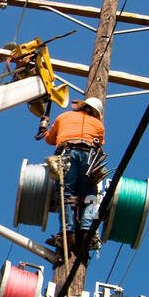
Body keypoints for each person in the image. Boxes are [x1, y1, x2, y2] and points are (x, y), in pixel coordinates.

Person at [41, 95, 105, 251]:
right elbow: (100, 142)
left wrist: (44, 128)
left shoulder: (63, 117)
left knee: (66, 195)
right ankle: (85, 233)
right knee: (90, 196)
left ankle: (68, 234)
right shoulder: (98, 124)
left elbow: (49, 139)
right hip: (89, 157)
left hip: (67, 153)